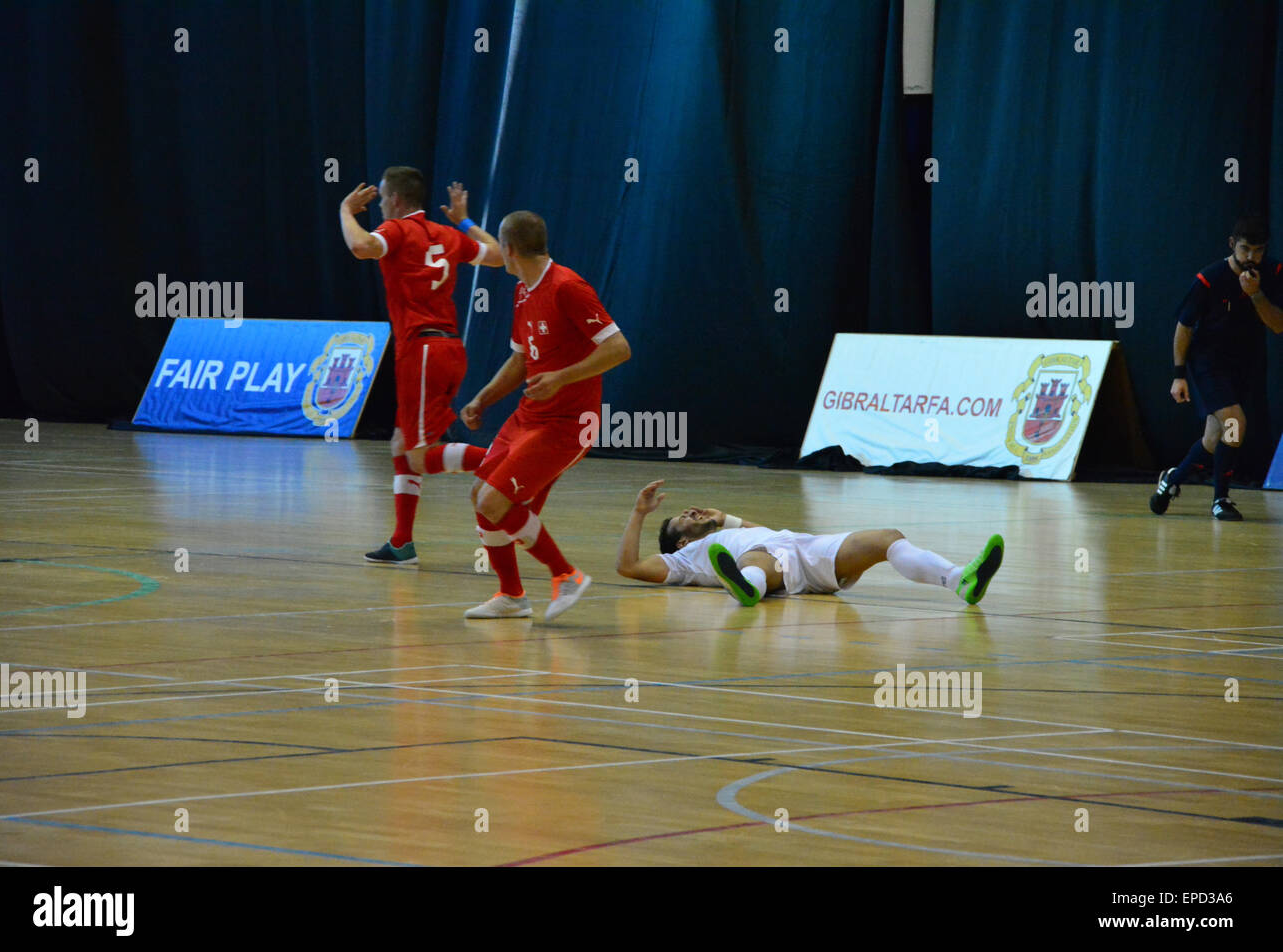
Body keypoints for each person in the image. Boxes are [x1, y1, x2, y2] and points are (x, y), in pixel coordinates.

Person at [459, 210, 632, 621]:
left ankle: (565, 575)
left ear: (510, 249)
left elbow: (619, 348)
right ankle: (512, 596)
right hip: (529, 416)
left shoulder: (567, 287)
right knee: (482, 500)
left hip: (569, 423)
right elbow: (520, 361)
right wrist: (483, 398)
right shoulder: (523, 291)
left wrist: (561, 377)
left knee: (493, 501)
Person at [339, 170, 504, 564]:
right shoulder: (446, 235)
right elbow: (497, 255)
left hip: (424, 349)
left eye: (382, 200)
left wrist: (345, 210)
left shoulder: (396, 230)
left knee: (416, 455)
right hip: (446, 349)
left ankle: (503, 462)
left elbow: (361, 246)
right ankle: (401, 542)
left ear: (395, 199)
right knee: (401, 443)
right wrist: (463, 220)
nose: (378, 207)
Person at [616, 480, 1003, 606]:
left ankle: (959, 580)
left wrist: (724, 517)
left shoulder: (728, 535)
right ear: (681, 541)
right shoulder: (686, 559)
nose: (695, 511)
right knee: (758, 556)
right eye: (687, 517)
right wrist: (639, 513)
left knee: (888, 539)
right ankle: (747, 589)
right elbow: (628, 567)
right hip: (769, 562)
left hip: (802, 548)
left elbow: (766, 532)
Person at [1150, 215, 1283, 520]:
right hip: (1208, 363)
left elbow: (1277, 325)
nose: (1252, 257)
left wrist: (1256, 294)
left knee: (1214, 439)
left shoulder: (1273, 273)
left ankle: (1172, 479)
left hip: (1245, 364)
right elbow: (1183, 327)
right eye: (1246, 248)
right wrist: (1178, 375)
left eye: (1259, 250)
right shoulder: (1208, 279)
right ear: (1232, 244)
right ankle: (1220, 500)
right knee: (1236, 423)